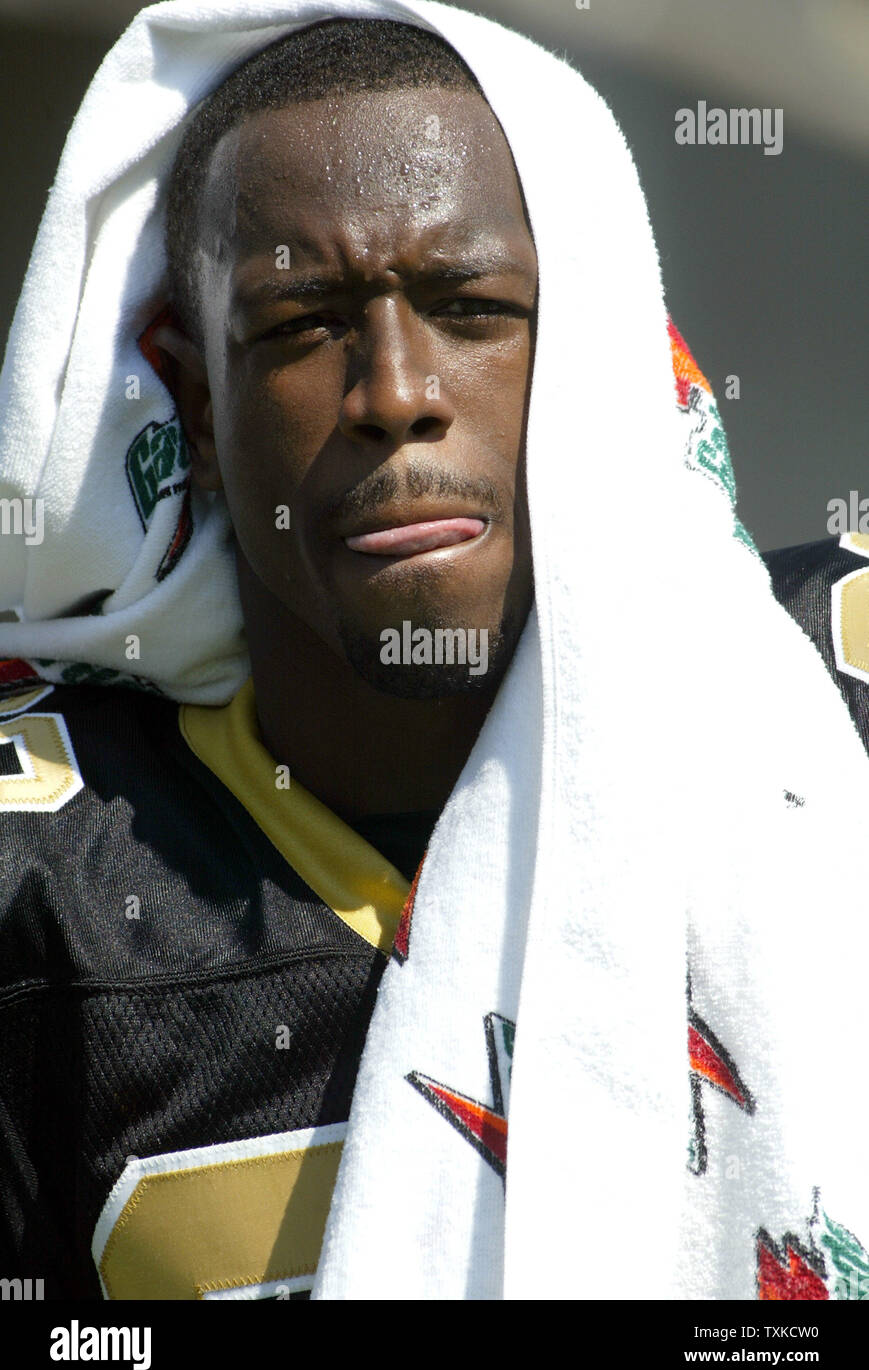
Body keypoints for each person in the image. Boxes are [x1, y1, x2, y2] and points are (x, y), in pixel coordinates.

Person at [2, 2, 869, 1304]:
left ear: (594, 333)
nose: (394, 391)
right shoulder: (52, 894)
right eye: (300, 320)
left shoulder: (829, 702)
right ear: (187, 385)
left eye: (468, 303)